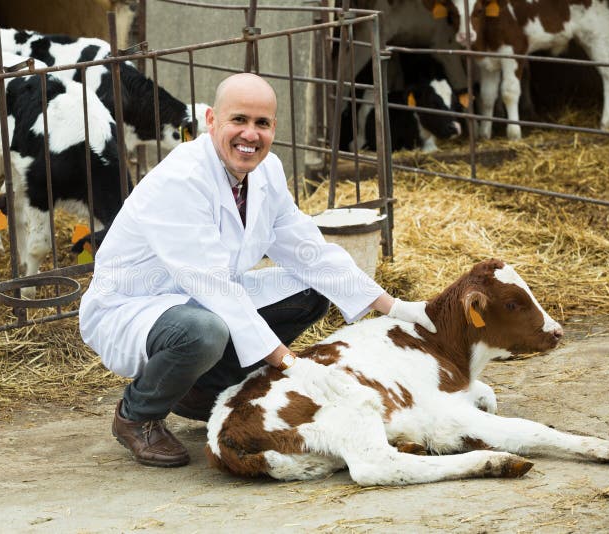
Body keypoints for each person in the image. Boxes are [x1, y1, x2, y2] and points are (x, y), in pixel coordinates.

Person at [79, 73, 436, 468]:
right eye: (239, 120)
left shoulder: (266, 172)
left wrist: (398, 308)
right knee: (203, 331)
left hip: (202, 297)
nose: (250, 134)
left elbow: (309, 251)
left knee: (312, 289)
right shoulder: (181, 179)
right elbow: (212, 285)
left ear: (273, 129)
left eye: (261, 123)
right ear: (212, 120)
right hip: (137, 304)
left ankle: (203, 390)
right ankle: (138, 415)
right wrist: (291, 365)